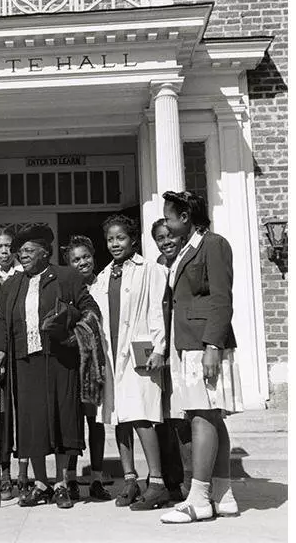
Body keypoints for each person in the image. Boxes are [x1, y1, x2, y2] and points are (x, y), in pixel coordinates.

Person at [0, 225, 103, 510]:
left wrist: (70, 325)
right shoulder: (14, 283)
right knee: (32, 423)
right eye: (20, 252)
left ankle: (63, 483)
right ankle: (40, 483)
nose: (22, 256)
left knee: (63, 417)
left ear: (44, 252)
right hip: (25, 361)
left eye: (28, 251)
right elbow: (2, 320)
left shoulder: (67, 277)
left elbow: (92, 311)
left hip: (60, 359)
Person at [158, 191, 244, 524]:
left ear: (185, 216)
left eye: (168, 217)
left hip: (203, 343)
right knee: (210, 416)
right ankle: (223, 495)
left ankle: (198, 498)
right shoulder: (184, 250)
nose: (165, 223)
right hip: (188, 343)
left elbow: (222, 299)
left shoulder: (214, 244)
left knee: (201, 417)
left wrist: (212, 346)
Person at [93, 215, 170, 511]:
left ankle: (157, 482)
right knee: (118, 418)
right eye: (110, 239)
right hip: (111, 355)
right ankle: (129, 479)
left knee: (140, 415)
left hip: (139, 351)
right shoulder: (103, 276)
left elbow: (156, 311)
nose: (115, 244)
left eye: (121, 238)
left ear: (133, 240)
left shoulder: (150, 270)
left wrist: (158, 347)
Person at [61, 235, 111, 502]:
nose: (82, 262)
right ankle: (69, 478)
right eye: (76, 259)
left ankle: (96, 478)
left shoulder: (103, 282)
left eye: (86, 257)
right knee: (72, 420)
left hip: (98, 360)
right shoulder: (65, 287)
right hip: (74, 360)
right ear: (69, 263)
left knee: (96, 421)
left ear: (93, 256)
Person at [151, 219, 193, 501]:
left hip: (184, 344)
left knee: (184, 417)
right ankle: (170, 480)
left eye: (169, 236)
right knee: (162, 418)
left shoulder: (187, 263)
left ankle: (191, 479)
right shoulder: (155, 268)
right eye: (159, 238)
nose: (165, 242)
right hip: (161, 348)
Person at [0, 227, 29, 501]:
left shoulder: (24, 274)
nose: (4, 251)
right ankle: (5, 473)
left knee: (25, 413)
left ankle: (24, 473)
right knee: (4, 414)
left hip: (23, 349)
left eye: (8, 246)